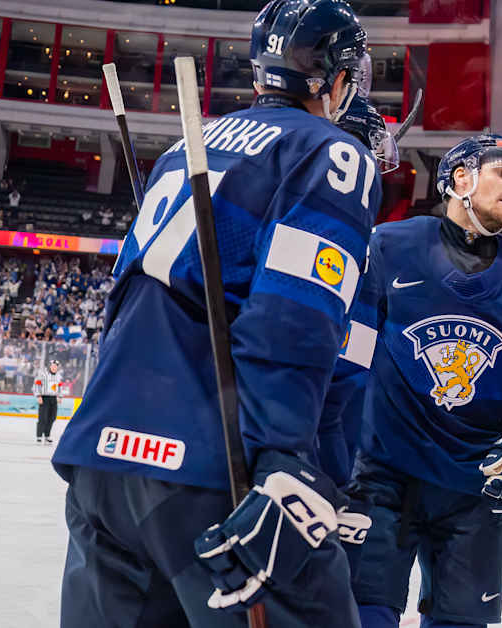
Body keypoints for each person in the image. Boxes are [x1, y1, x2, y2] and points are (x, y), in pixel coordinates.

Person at [51, 1, 377, 626]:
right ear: (334, 74)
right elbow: (293, 314)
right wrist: (283, 460)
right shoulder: (332, 153)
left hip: (103, 456)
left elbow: (125, 298)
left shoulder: (187, 147)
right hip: (205, 459)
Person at [344, 133, 502, 628]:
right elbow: (349, 360)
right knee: (363, 616)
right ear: (461, 177)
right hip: (383, 476)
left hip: (475, 488)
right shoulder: (391, 246)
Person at [34, 358, 62, 444]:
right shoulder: (43, 374)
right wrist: (38, 396)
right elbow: (37, 384)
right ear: (50, 366)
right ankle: (39, 436)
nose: (54, 368)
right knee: (43, 418)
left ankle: (47, 435)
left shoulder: (59, 376)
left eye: (55, 366)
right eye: (52, 366)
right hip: (44, 398)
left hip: (53, 398)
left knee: (52, 418)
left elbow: (60, 387)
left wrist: (59, 396)